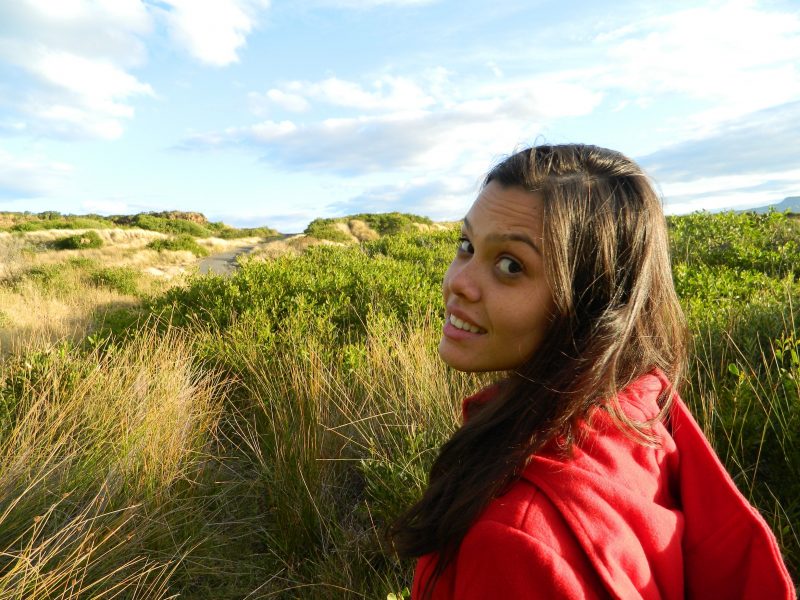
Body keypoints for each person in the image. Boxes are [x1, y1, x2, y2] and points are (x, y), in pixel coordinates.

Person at [389, 145, 795, 599]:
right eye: (466, 246)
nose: (457, 282)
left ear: (590, 303)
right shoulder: (636, 412)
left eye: (510, 265)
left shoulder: (514, 541)